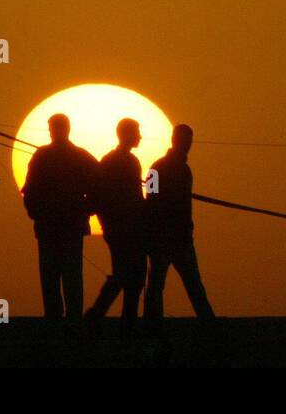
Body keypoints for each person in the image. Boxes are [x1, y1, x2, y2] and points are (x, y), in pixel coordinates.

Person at [22, 113, 99, 320]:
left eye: (54, 128)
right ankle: (66, 319)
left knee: (58, 275)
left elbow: (98, 186)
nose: (53, 132)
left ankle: (62, 319)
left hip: (57, 226)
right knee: (64, 275)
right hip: (59, 225)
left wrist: (85, 209)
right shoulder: (76, 156)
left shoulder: (44, 156)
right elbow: (29, 192)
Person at [144, 123, 215, 327]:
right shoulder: (159, 168)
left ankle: (206, 322)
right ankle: (153, 324)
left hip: (177, 236)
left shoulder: (175, 169)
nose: (187, 145)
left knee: (172, 283)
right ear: (175, 141)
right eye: (185, 141)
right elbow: (151, 201)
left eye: (189, 142)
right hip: (167, 237)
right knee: (165, 283)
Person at [84, 118, 147, 332]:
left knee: (131, 275)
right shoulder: (113, 162)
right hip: (121, 228)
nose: (140, 136)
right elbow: (102, 195)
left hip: (127, 227)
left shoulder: (130, 161)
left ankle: (115, 318)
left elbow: (137, 195)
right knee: (128, 274)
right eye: (137, 132)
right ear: (126, 134)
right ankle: (102, 317)